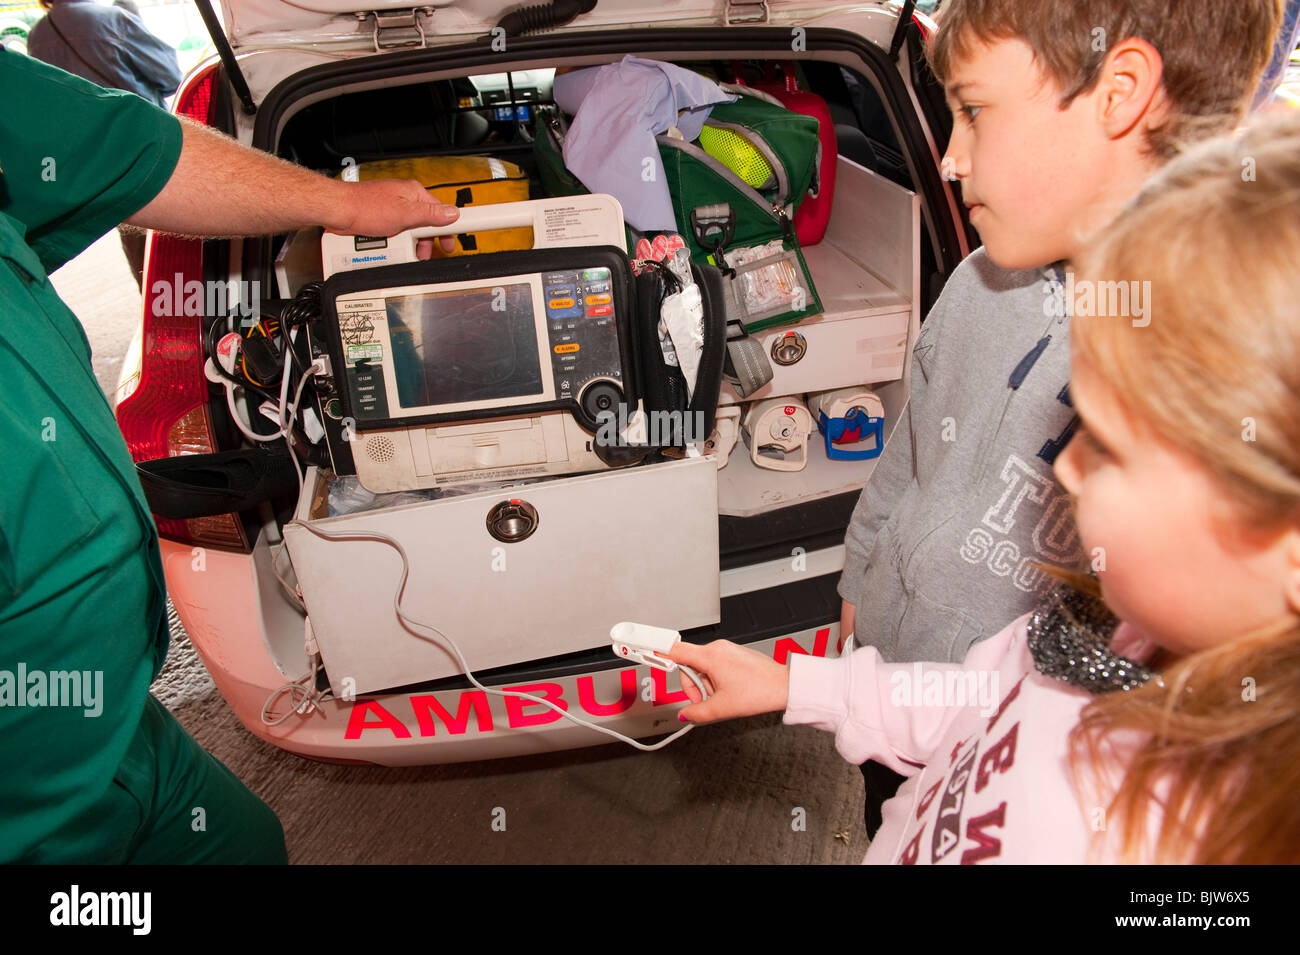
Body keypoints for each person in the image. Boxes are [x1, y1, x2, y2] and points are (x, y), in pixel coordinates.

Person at [671, 111, 1300, 863]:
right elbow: (981, 701)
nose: (1065, 469)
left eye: (1115, 448)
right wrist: (796, 687)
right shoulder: (1100, 634)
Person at [831, 0, 1283, 837]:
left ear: (1120, 91)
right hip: (891, 688)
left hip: (1003, 737)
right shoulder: (976, 282)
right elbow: (908, 456)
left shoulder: (1202, 364)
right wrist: (859, 583)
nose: (951, 157)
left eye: (972, 111)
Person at [0, 47, 459, 863]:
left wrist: (347, 207)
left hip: (117, 726)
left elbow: (137, 151)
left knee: (244, 844)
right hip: (26, 785)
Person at [27, 0, 181, 288]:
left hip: (98, 162)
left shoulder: (37, 37)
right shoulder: (112, 18)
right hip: (147, 147)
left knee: (140, 250)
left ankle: (158, 314)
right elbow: (170, 76)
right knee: (182, 242)